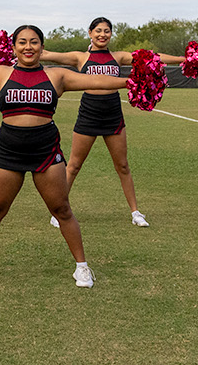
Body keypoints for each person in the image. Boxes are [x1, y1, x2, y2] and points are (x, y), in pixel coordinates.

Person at [0, 25, 132, 288]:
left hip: (45, 149)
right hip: (9, 149)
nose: (29, 47)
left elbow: (98, 81)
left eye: (34, 42)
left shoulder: (57, 76)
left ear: (41, 47)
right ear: (13, 47)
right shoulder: (0, 74)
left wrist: (132, 81)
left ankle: (82, 267)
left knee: (61, 209)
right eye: (23, 42)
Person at [39, 16, 185, 228]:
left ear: (110, 34)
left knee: (123, 165)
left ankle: (135, 212)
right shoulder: (80, 57)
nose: (102, 34)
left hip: (113, 113)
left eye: (106, 31)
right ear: (90, 33)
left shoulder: (118, 57)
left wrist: (184, 59)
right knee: (74, 165)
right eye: (98, 30)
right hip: (89, 112)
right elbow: (48, 55)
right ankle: (58, 211)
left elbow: (154, 57)